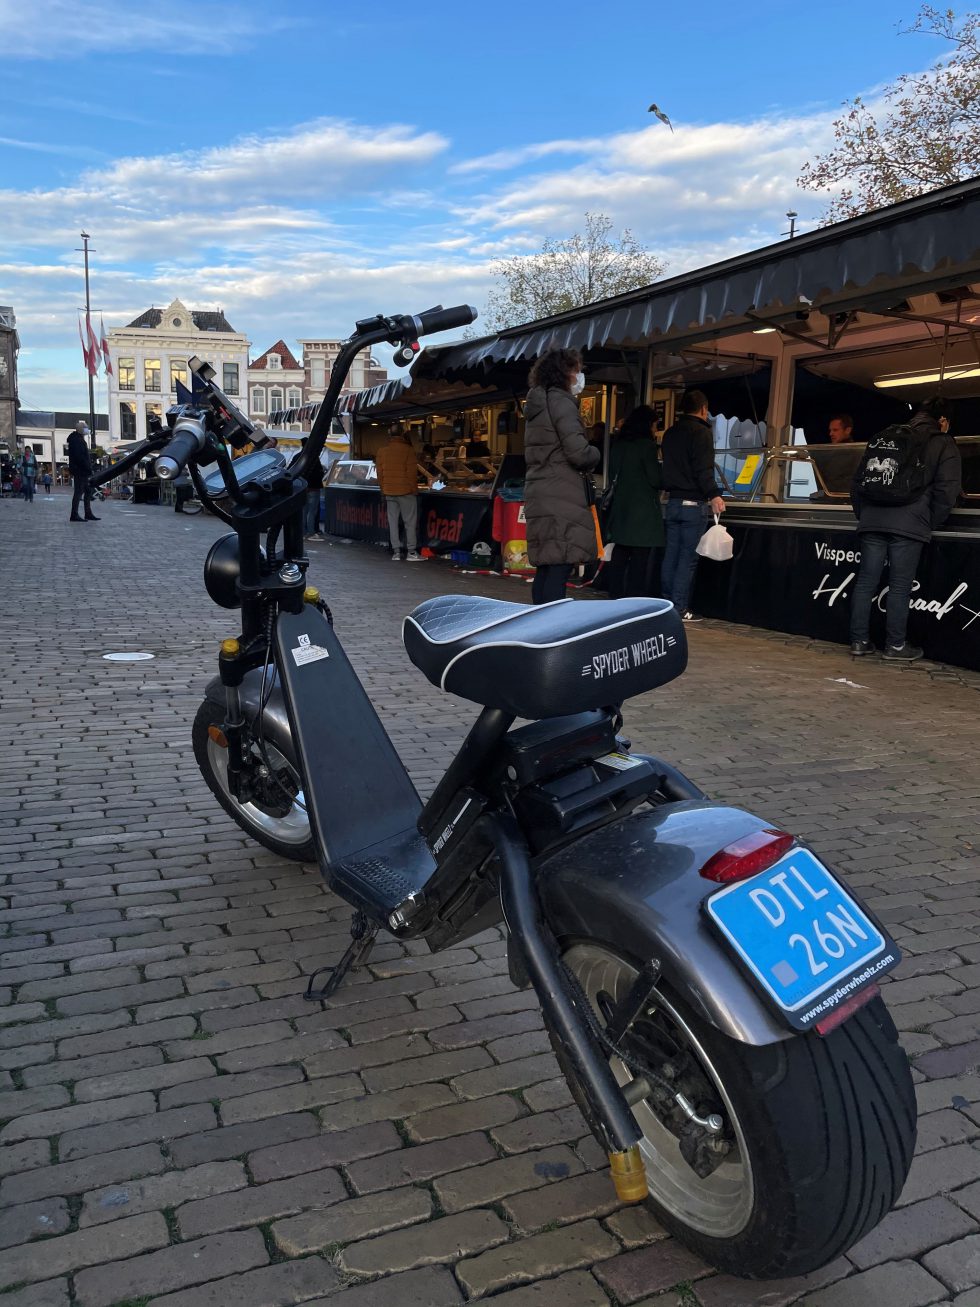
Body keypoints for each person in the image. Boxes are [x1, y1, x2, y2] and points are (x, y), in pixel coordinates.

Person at [849, 397, 961, 662]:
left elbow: (857, 482)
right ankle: (896, 645)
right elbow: (948, 490)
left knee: (866, 581)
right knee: (900, 586)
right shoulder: (943, 442)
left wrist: (864, 515)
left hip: (872, 518)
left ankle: (859, 641)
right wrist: (929, 521)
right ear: (943, 421)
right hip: (910, 522)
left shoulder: (887, 437)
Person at [523, 347, 600, 604]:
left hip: (540, 490)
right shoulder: (561, 402)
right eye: (577, 370)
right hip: (561, 492)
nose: (579, 376)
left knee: (546, 566)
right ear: (565, 371)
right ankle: (552, 630)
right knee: (560, 565)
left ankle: (538, 622)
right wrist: (596, 452)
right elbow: (577, 452)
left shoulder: (537, 402)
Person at [660, 389, 725, 621]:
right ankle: (678, 608)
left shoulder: (670, 433)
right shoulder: (702, 433)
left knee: (671, 555)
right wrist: (714, 495)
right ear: (704, 409)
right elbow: (703, 470)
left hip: (673, 502)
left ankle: (665, 605)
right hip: (693, 503)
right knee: (687, 558)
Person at [605, 406, 664, 599]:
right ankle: (634, 598)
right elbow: (655, 479)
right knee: (640, 558)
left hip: (621, 508)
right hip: (643, 511)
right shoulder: (646, 447)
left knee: (620, 551)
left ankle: (615, 595)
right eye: (655, 425)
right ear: (647, 425)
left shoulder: (619, 445)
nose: (655, 430)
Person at [375, 422, 422, 561]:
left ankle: (396, 552)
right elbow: (412, 473)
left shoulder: (382, 451)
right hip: (406, 491)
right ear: (403, 434)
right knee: (410, 522)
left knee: (393, 522)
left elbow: (380, 474)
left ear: (389, 434)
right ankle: (411, 552)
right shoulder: (408, 450)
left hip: (389, 491)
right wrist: (414, 490)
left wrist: (383, 490)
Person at [292, 437, 324, 541]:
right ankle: (311, 532)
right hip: (313, 488)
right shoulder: (314, 457)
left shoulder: (297, 456)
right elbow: (319, 472)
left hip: (301, 488)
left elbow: (291, 470)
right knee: (312, 511)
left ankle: (303, 532)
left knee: (303, 511)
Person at [67, 422, 98, 522]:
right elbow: (80, 457)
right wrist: (87, 467)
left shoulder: (78, 439)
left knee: (88, 491)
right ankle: (74, 514)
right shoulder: (76, 440)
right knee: (79, 492)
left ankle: (87, 513)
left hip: (82, 470)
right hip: (80, 470)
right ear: (80, 429)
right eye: (85, 428)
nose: (86, 430)